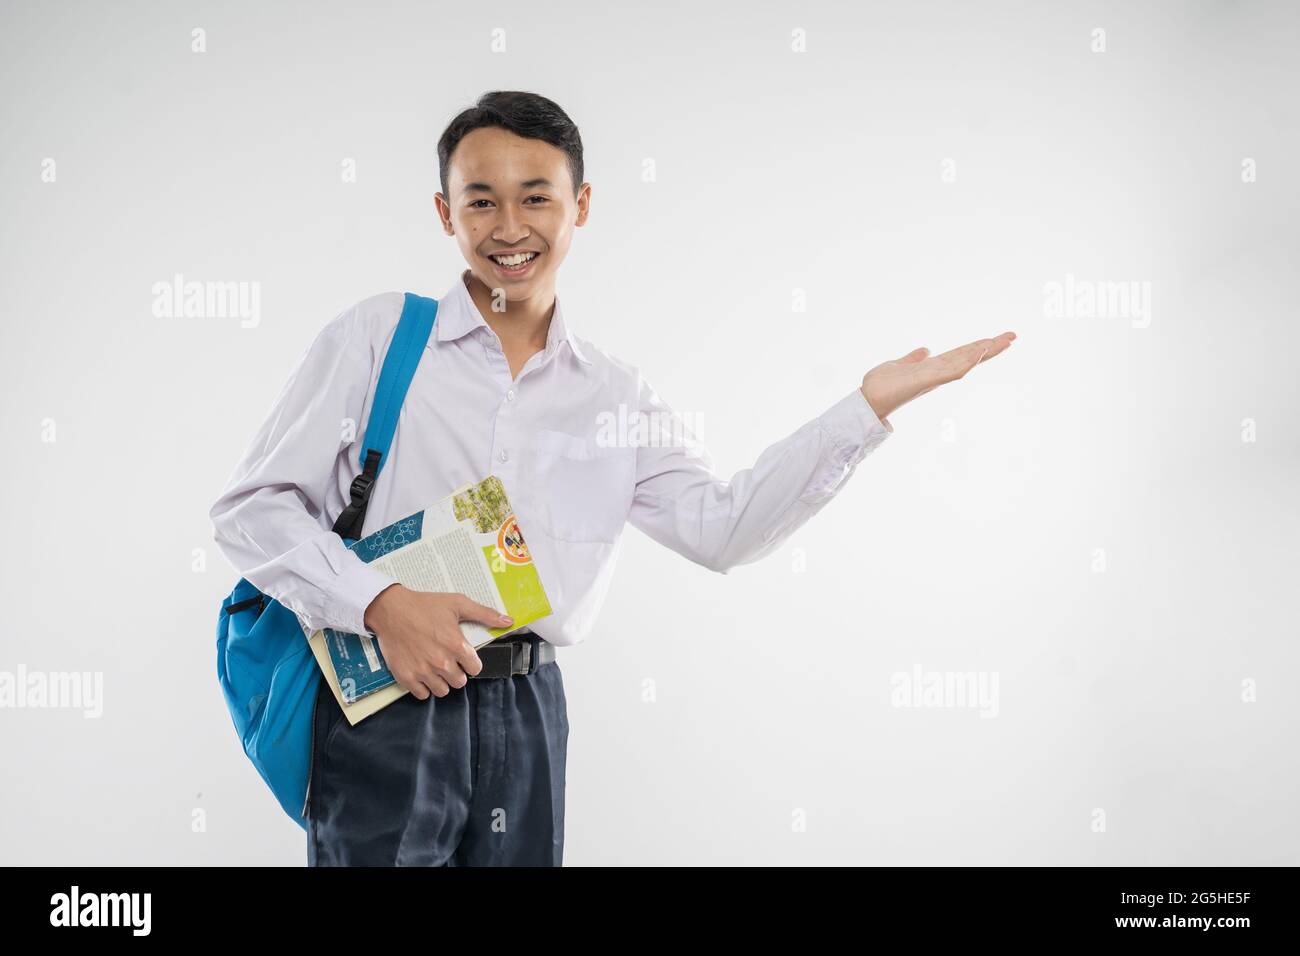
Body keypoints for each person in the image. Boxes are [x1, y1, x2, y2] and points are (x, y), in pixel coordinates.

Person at [208, 90, 1016, 866]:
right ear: (445, 212)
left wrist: (865, 409)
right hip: (385, 697)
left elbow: (722, 528)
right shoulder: (380, 336)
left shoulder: (614, 395)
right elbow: (252, 511)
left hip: (527, 711)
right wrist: (380, 604)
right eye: (481, 202)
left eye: (536, 198)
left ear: (581, 205)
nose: (510, 228)